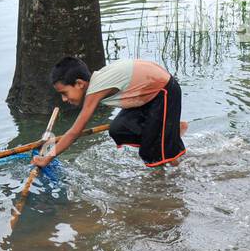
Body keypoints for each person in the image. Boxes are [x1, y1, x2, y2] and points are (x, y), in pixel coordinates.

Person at [34, 57, 186, 169]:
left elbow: (74, 132)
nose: (64, 99)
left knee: (151, 153)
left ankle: (170, 155)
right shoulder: (97, 81)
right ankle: (166, 135)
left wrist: (47, 158)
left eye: (65, 93)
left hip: (163, 92)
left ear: (80, 84)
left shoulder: (95, 90)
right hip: (146, 96)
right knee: (119, 129)